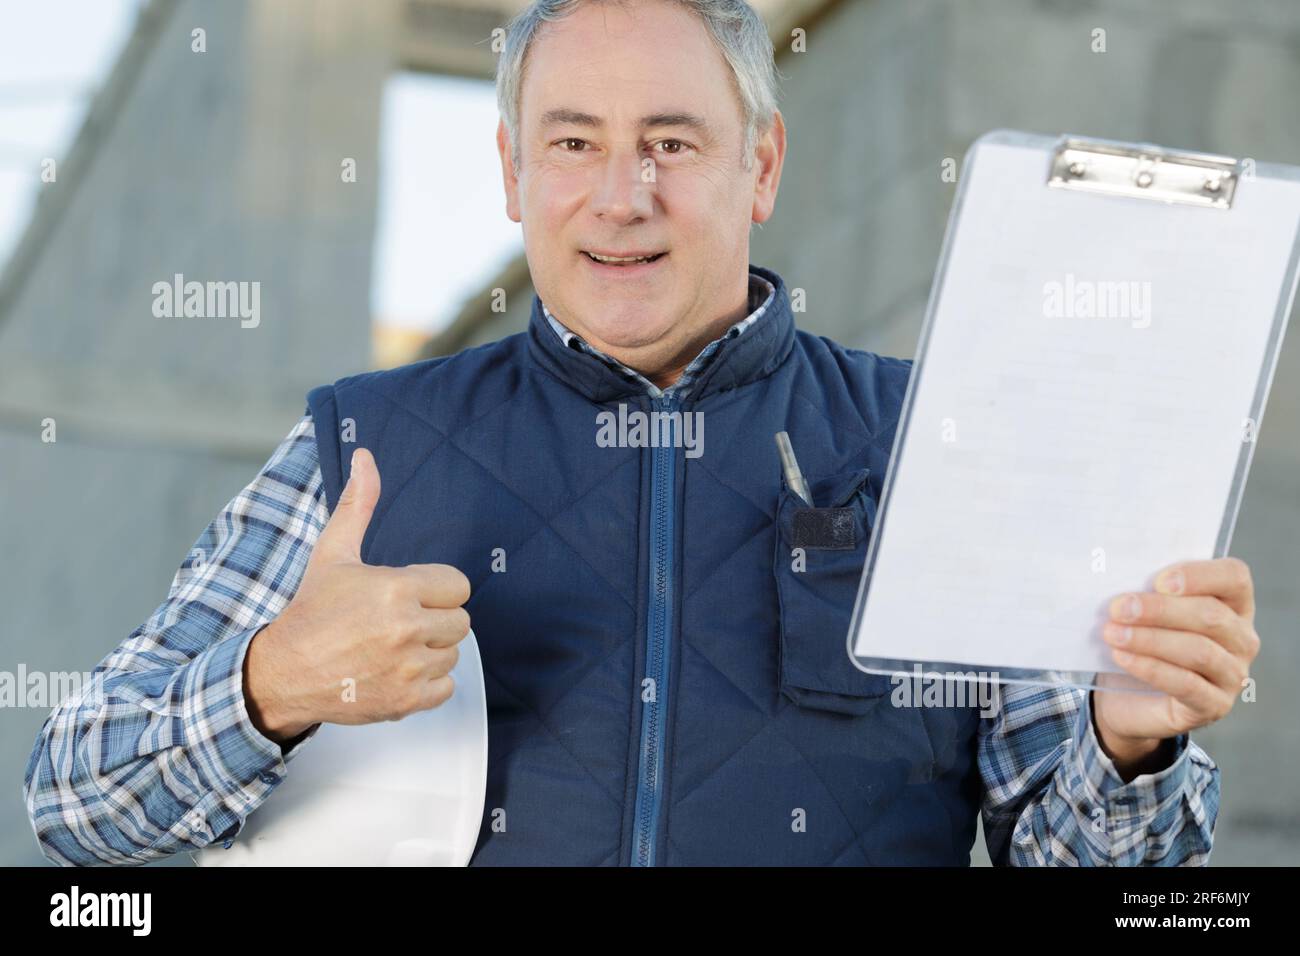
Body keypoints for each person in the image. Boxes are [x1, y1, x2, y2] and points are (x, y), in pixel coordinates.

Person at [25, 0, 1252, 867]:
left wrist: (1123, 743)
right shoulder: (364, 447)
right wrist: (266, 685)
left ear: (759, 164)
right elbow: (73, 799)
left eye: (671, 141)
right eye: (572, 144)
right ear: (512, 173)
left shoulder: (939, 442)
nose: (623, 195)